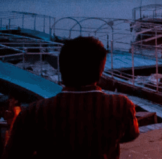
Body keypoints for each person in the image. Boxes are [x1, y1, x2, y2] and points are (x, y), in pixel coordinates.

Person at [3, 37, 139, 159]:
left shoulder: (34, 112)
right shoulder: (120, 106)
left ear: (62, 69)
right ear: (100, 71)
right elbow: (131, 134)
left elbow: (14, 154)